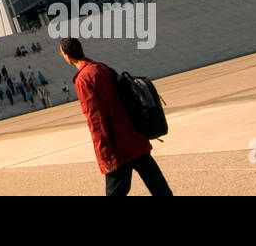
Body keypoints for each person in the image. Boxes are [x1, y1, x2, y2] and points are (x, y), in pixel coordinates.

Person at [59, 37, 173, 196]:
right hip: (135, 136)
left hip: (117, 147)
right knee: (159, 187)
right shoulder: (102, 67)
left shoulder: (83, 79)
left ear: (66, 55)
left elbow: (96, 120)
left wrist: (104, 154)